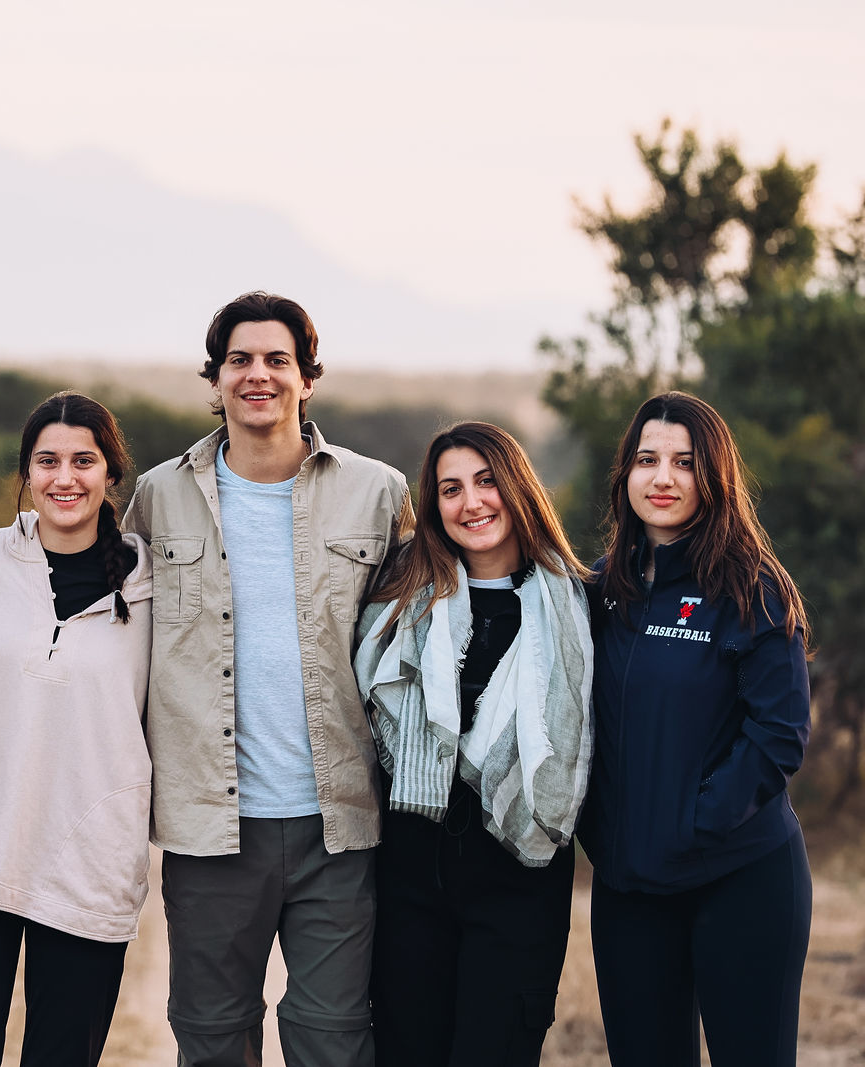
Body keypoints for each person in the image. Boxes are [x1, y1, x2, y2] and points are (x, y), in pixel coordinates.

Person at [123, 291, 413, 1066]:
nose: (259, 375)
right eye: (239, 360)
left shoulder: (378, 493)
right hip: (210, 829)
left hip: (339, 822)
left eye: (277, 359)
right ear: (214, 378)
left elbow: (417, 645)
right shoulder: (158, 496)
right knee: (213, 1040)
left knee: (333, 1039)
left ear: (307, 377)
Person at [0, 392, 153, 1067]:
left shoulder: (155, 581)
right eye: (47, 460)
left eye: (84, 460)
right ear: (26, 472)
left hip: (90, 856)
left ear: (111, 472)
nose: (65, 477)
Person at [578, 391, 812, 1067]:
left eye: (684, 462)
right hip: (628, 889)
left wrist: (690, 824)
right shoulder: (600, 590)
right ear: (624, 475)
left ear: (714, 476)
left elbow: (779, 735)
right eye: (647, 459)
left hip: (740, 879)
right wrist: (602, 826)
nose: (663, 477)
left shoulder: (753, 589)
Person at [353, 422, 593, 1066]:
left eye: (487, 482)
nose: (472, 503)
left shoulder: (579, 608)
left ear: (518, 489)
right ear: (434, 507)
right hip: (410, 873)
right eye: (450, 489)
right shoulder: (394, 608)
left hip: (518, 876)